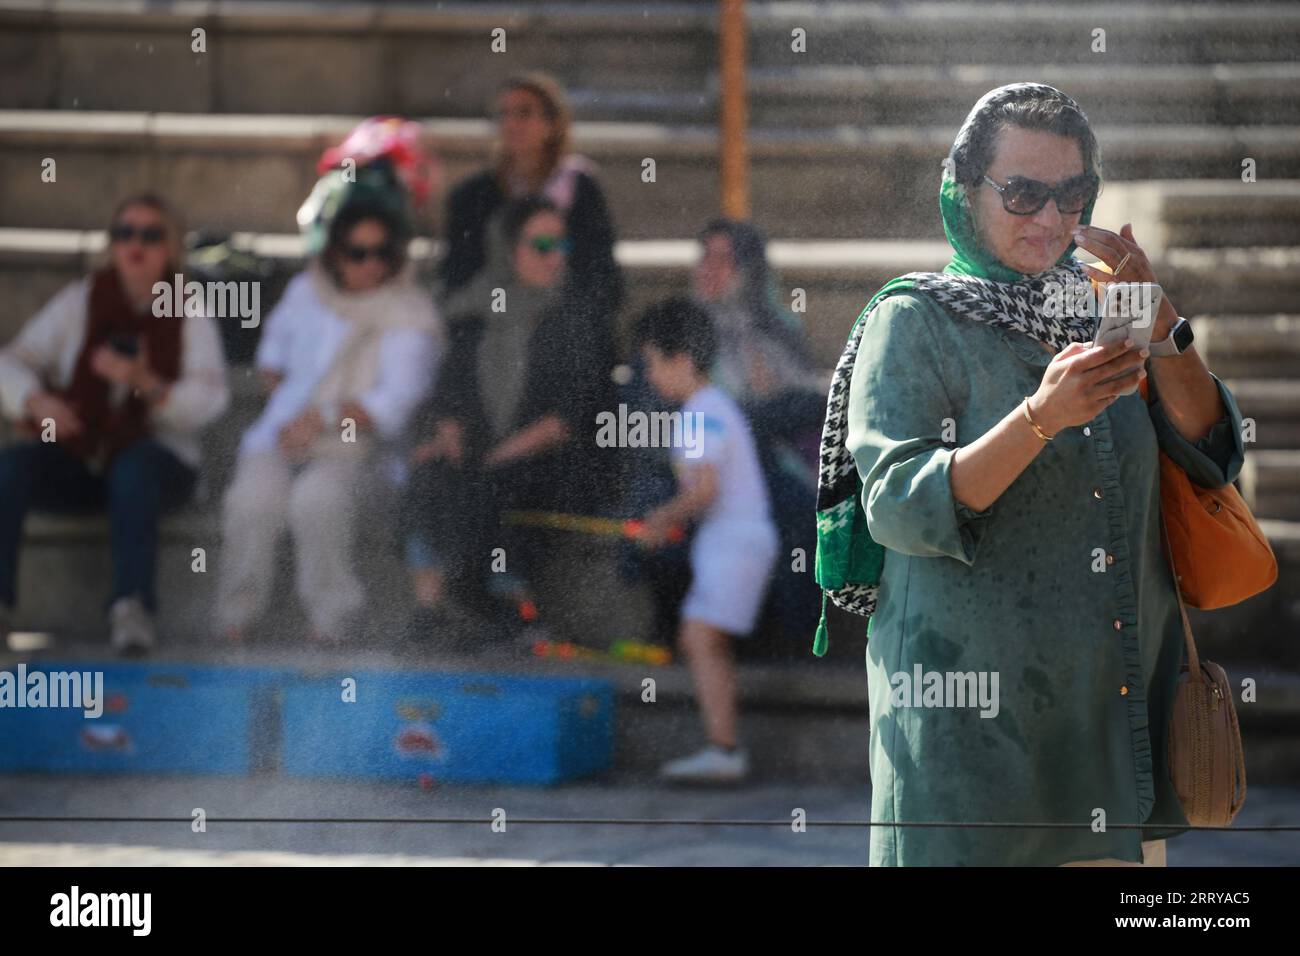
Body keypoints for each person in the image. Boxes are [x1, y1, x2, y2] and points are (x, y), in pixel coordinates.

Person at [831, 83, 1246, 865]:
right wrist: (1039, 420)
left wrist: (1165, 331)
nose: (1050, 219)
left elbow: (1208, 453)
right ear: (964, 189)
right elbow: (898, 507)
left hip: (1110, 729)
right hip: (975, 737)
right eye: (1022, 193)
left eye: (1072, 194)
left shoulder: (1100, 308)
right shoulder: (913, 319)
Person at [0, 193, 230, 655]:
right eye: (124, 233)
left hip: (160, 464)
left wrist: (147, 384)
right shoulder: (82, 299)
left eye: (150, 235)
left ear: (170, 248)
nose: (135, 246)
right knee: (11, 468)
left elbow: (210, 401)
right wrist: (35, 401)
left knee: (134, 465)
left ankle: (132, 607)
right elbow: (10, 362)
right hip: (83, 458)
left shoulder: (188, 309)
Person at [215, 196, 441, 643]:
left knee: (317, 501)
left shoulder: (412, 313)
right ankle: (235, 620)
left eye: (382, 252)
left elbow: (398, 402)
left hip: (362, 449)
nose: (371, 264)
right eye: (358, 252)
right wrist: (290, 415)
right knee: (251, 503)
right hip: (283, 438)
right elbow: (271, 361)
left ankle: (332, 621)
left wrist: (324, 417)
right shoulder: (305, 291)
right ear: (336, 253)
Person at [402, 196, 612, 647]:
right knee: (428, 476)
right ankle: (430, 610)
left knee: (498, 484)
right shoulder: (475, 311)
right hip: (485, 452)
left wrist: (493, 458)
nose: (555, 255)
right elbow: (449, 391)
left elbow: (566, 418)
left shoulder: (576, 317)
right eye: (541, 244)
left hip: (554, 458)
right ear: (509, 247)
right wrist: (448, 431)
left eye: (562, 244)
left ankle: (514, 607)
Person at [633, 297, 779, 784]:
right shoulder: (709, 407)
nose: (649, 375)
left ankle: (724, 749)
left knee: (698, 636)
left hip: (735, 545)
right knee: (699, 639)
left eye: (653, 362)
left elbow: (704, 489)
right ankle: (722, 747)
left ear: (683, 360)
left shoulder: (700, 413)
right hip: (732, 543)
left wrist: (658, 519)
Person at [439, 72, 623, 354]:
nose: (511, 123)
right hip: (493, 321)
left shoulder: (580, 190)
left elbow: (599, 274)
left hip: (563, 323)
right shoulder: (472, 196)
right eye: (504, 113)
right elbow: (460, 273)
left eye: (525, 113)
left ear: (552, 125)